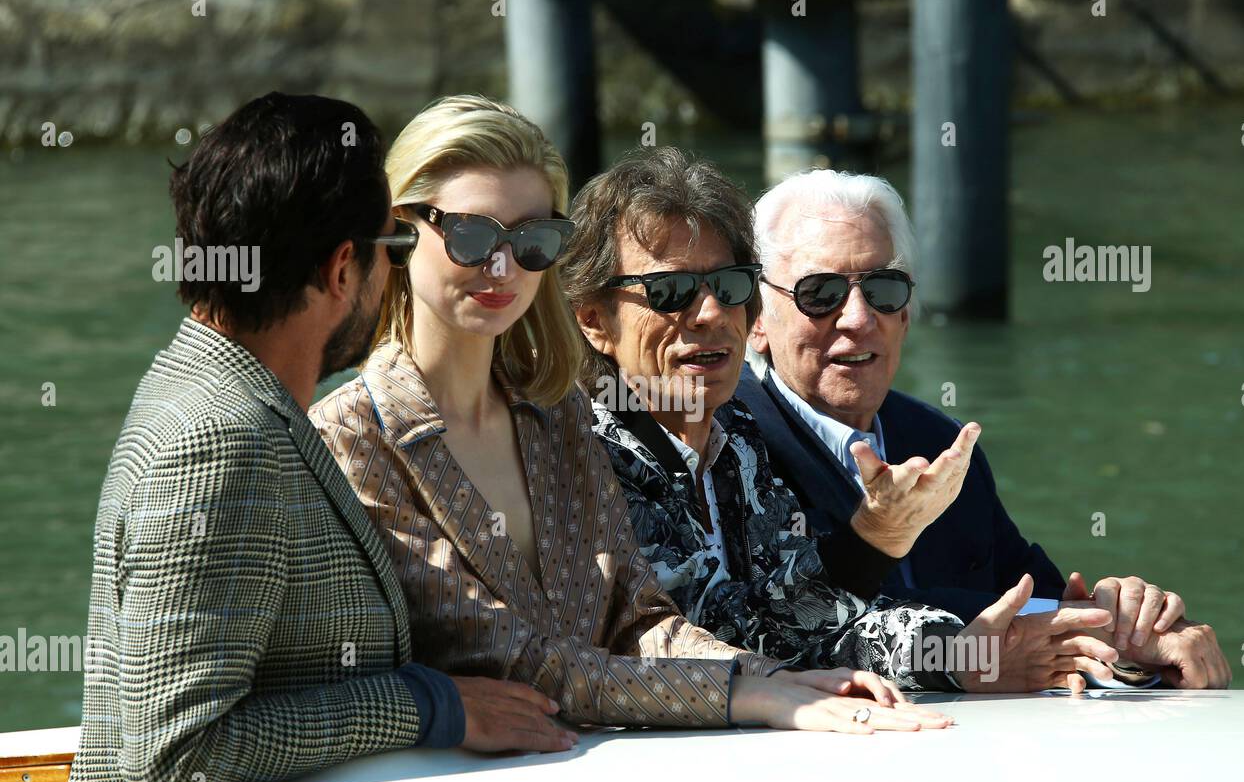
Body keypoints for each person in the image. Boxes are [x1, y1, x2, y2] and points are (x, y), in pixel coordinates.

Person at [310, 94, 954, 732]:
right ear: (399, 234)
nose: (503, 265)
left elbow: (638, 621)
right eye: (472, 235)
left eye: (535, 240)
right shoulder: (349, 437)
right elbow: (508, 660)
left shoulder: (555, 419)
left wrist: (766, 678)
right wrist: (750, 694)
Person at [69, 93, 575, 782]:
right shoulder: (222, 441)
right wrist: (429, 705)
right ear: (344, 270)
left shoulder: (206, 390)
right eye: (386, 253)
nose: (388, 277)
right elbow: (177, 758)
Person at [564, 146, 1119, 692]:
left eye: (728, 287)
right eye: (670, 291)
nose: (710, 313)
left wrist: (1105, 630)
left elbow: (809, 621)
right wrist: (879, 537)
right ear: (593, 320)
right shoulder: (577, 454)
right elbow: (703, 629)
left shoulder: (739, 448)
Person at [739, 168, 1230, 688]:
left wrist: (1136, 635)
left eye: (883, 289)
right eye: (820, 293)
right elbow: (766, 630)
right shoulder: (728, 446)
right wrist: (970, 657)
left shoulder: (941, 440)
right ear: (756, 319)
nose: (858, 318)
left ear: (905, 314)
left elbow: (1041, 606)